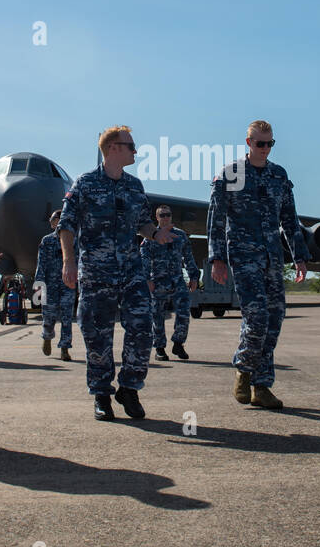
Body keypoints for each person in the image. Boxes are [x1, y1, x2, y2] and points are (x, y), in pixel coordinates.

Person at [59, 125, 160, 421]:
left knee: (143, 329)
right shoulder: (85, 184)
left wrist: (156, 234)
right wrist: (69, 262)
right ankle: (101, 394)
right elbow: (66, 225)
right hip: (97, 273)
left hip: (131, 271)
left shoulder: (135, 186)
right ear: (113, 148)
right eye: (130, 146)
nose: (135, 151)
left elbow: (143, 223)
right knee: (97, 335)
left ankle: (129, 387)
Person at [206, 119, 307, 409]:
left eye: (270, 144)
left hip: (273, 257)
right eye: (260, 143)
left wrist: (299, 256)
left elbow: (289, 219)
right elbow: (217, 219)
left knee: (274, 318)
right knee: (257, 317)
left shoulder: (278, 175)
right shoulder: (231, 174)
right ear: (248, 143)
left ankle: (261, 386)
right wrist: (217, 258)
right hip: (243, 255)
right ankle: (244, 369)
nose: (265, 149)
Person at [141, 204, 199, 360]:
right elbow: (144, 260)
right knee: (157, 315)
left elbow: (188, 257)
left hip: (177, 280)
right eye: (162, 215)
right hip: (158, 281)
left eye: (168, 215)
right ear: (157, 218)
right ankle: (160, 348)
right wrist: (147, 279)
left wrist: (194, 277)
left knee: (184, 312)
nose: (166, 218)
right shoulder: (150, 238)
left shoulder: (180, 236)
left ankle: (178, 344)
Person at [33, 210, 74, 361]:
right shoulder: (46, 241)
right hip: (49, 285)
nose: (55, 222)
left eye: (58, 219)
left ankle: (65, 348)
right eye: (54, 220)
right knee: (48, 317)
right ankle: (47, 337)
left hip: (67, 284)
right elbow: (41, 265)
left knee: (67, 317)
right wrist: (38, 287)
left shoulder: (72, 240)